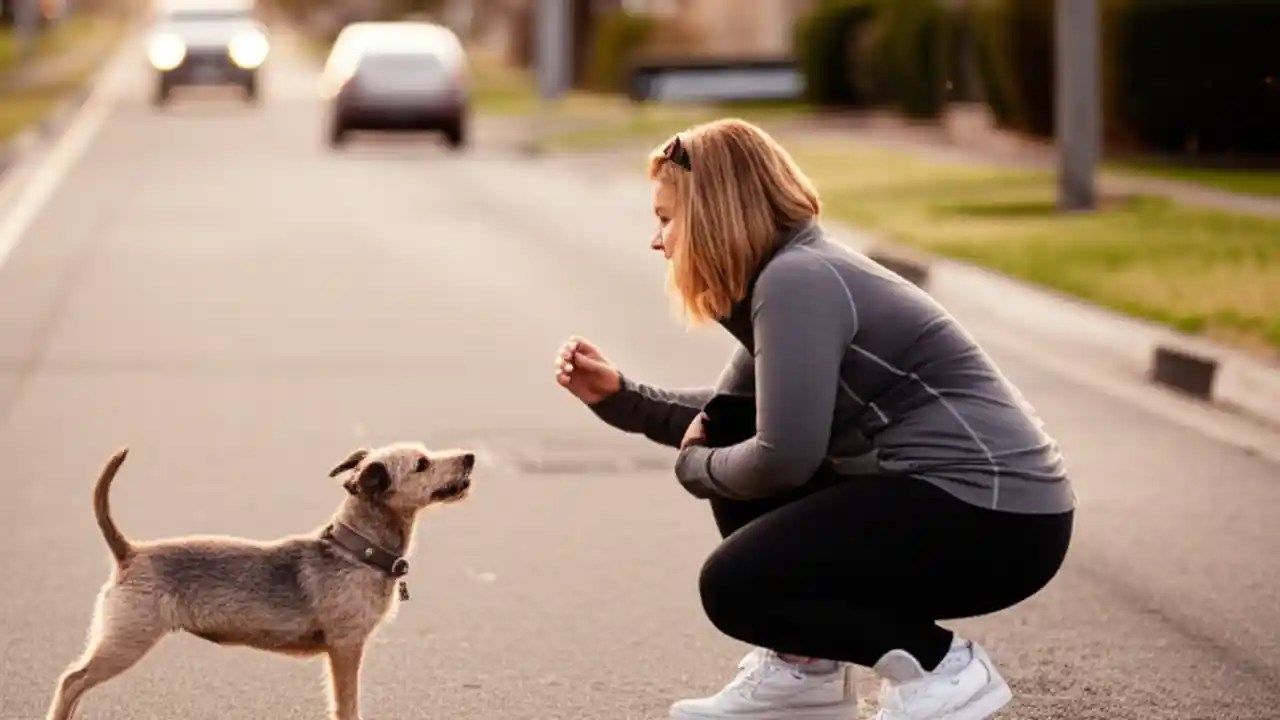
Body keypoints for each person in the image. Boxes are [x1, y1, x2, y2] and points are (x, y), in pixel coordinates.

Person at [552, 118, 1075, 720]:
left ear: (714, 214)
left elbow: (782, 456)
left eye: (666, 218)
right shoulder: (785, 275)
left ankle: (941, 667)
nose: (657, 241)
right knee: (731, 454)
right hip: (968, 506)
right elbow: (730, 421)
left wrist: (697, 469)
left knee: (734, 585)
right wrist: (621, 397)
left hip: (996, 518)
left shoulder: (798, 282)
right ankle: (806, 670)